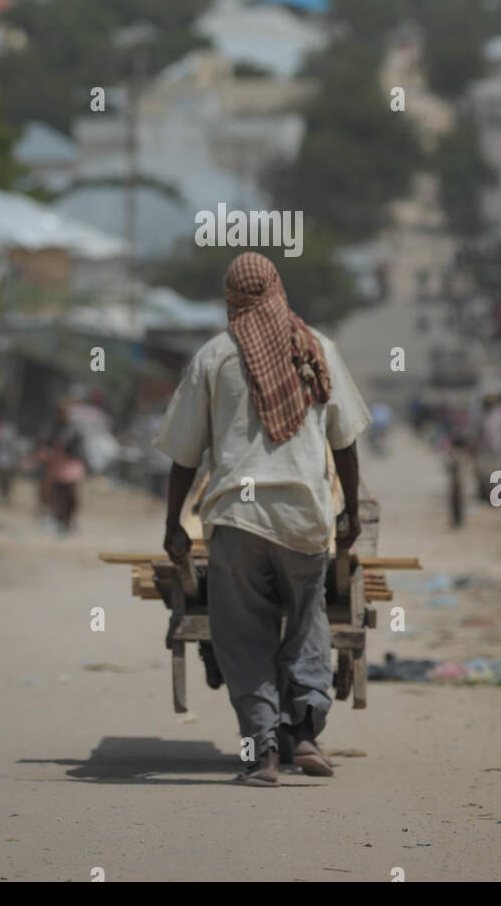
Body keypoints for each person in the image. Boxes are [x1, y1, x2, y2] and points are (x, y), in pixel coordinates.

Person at [153, 251, 372, 788]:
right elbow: (344, 441)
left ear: (230, 299)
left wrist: (174, 524)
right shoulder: (316, 348)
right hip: (304, 519)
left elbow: (185, 454)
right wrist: (347, 511)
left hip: (236, 520)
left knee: (243, 639)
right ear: (277, 289)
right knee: (308, 624)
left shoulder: (212, 356)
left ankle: (261, 756)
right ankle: (304, 736)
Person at [41, 402, 87, 533]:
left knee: (71, 495)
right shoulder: (55, 428)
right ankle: (59, 520)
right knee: (58, 495)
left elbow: (79, 448)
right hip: (58, 466)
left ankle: (68, 520)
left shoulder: (74, 429)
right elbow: (47, 443)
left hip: (71, 465)